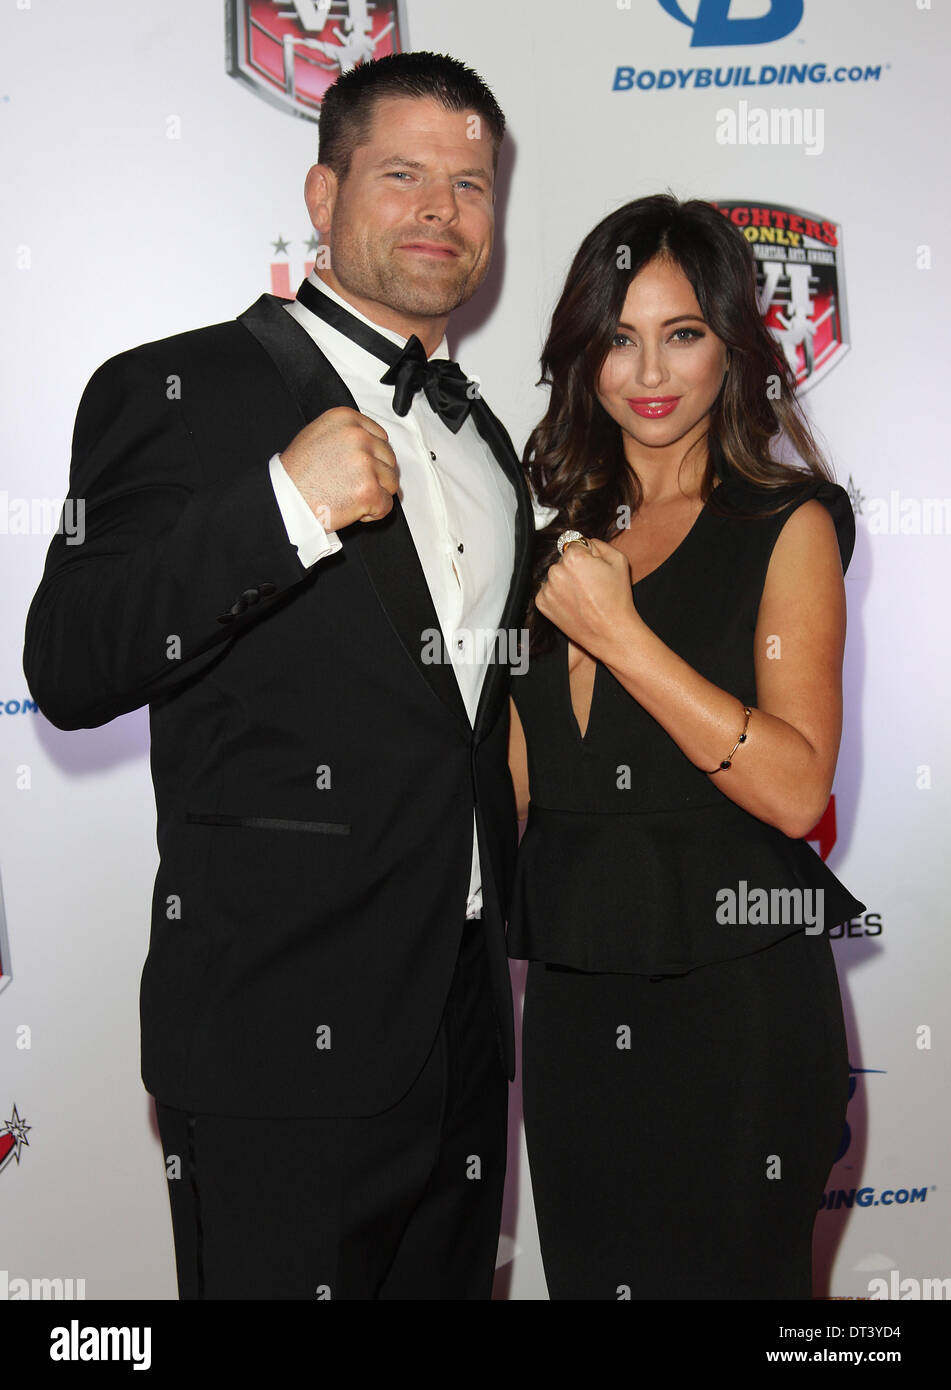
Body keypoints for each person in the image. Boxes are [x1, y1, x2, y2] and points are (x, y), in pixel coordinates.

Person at [23, 52, 538, 1300]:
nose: (440, 210)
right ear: (322, 195)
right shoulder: (176, 388)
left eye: (471, 185)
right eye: (402, 173)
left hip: (467, 1028)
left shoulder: (488, 440)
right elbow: (72, 661)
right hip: (274, 1034)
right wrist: (280, 506)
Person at [506, 194, 865, 1300]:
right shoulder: (547, 536)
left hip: (736, 1011)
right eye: (619, 336)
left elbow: (798, 784)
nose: (647, 370)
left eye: (682, 333)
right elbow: (523, 786)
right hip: (574, 1008)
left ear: (732, 346)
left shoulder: (786, 521)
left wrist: (623, 636)